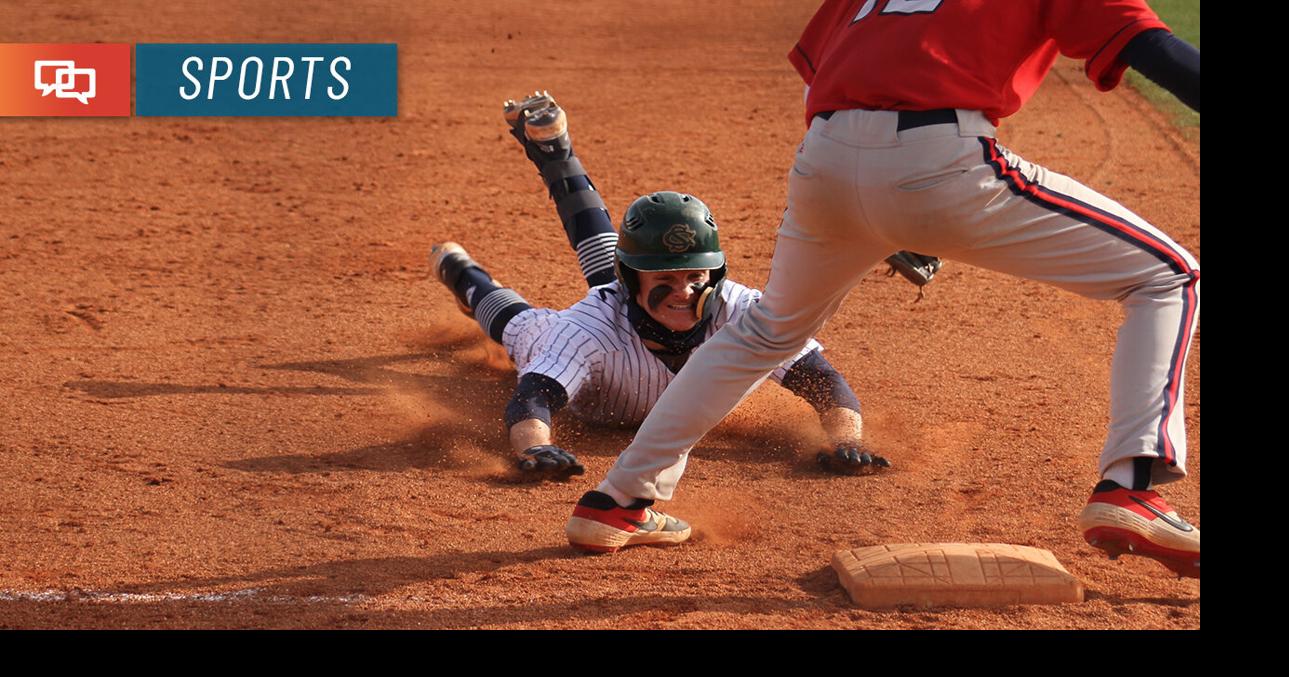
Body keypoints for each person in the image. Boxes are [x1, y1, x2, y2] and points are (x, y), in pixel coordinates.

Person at [567, 0, 1201, 580]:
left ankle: (619, 500)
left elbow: (824, 73)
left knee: (765, 330)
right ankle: (1132, 485)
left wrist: (870, 195)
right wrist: (906, 196)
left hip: (825, 160)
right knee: (1167, 275)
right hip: (940, 161)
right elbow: (1153, 49)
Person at [430, 92, 927, 549]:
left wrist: (847, 441)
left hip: (627, 285)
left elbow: (820, 378)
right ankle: (460, 270)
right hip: (602, 339)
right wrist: (535, 449)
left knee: (617, 257)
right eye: (665, 276)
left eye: (697, 274)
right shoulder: (586, 328)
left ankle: (555, 151)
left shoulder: (741, 310)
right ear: (634, 281)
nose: (686, 290)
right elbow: (533, 397)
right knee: (512, 320)